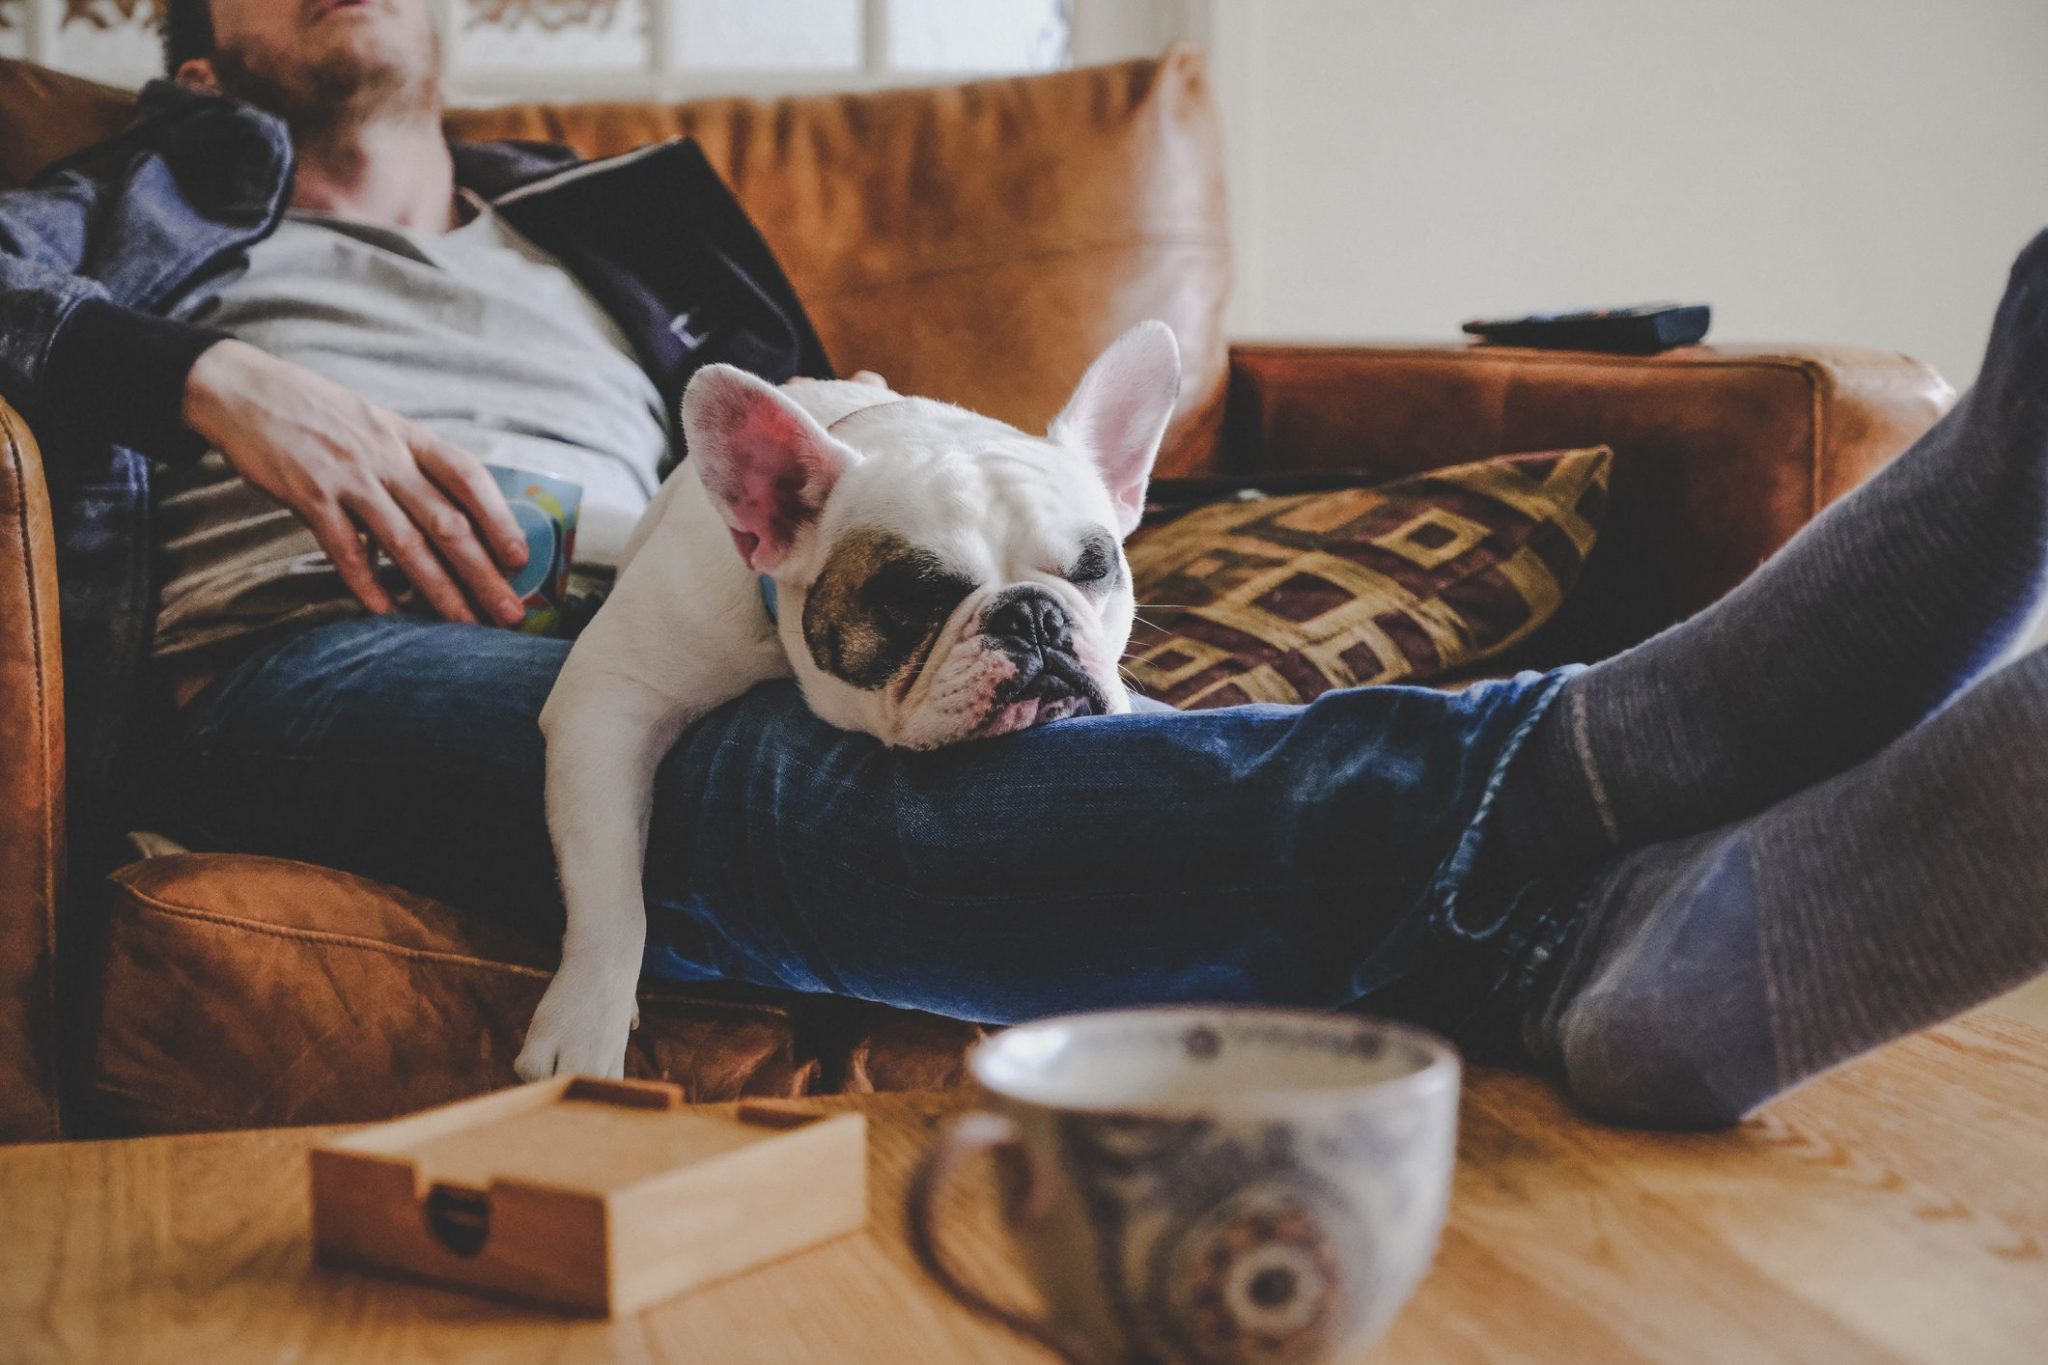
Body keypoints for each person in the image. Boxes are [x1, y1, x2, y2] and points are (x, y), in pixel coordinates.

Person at [3, 0, 2043, 1130]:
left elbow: (811, 518)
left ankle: (1602, 970)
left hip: (620, 584)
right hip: (307, 653)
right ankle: (1635, 740)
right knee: (778, 794)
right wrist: (212, 374)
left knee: (930, 749)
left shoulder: (601, 228)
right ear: (194, 61)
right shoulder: (127, 212)